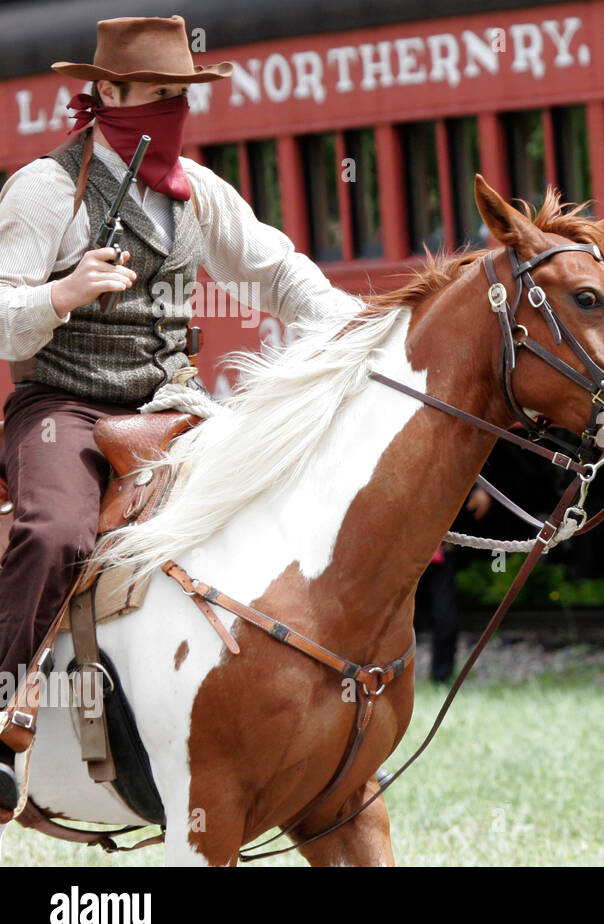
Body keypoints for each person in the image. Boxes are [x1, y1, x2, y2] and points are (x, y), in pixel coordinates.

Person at [0, 16, 357, 817]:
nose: (167, 110)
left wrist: (353, 328)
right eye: (153, 94)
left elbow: (278, 270)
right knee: (57, 531)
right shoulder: (46, 189)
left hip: (174, 406)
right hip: (65, 407)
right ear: (108, 93)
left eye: (179, 96)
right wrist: (60, 293)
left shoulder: (200, 190)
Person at [416, 485, 491, 683]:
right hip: (406, 556)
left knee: (446, 619)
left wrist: (478, 488)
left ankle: (441, 679)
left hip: (440, 557)